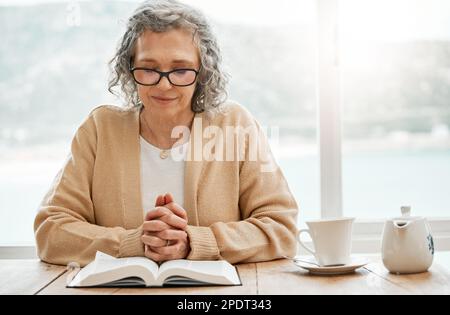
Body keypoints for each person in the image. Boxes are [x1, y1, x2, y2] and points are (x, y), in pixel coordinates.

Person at [34, 0, 298, 267]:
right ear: (129, 68)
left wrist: (193, 242)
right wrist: (135, 242)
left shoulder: (236, 125)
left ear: (203, 71)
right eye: (149, 69)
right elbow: (51, 231)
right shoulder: (100, 129)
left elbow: (281, 228)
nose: (163, 84)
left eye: (181, 70)